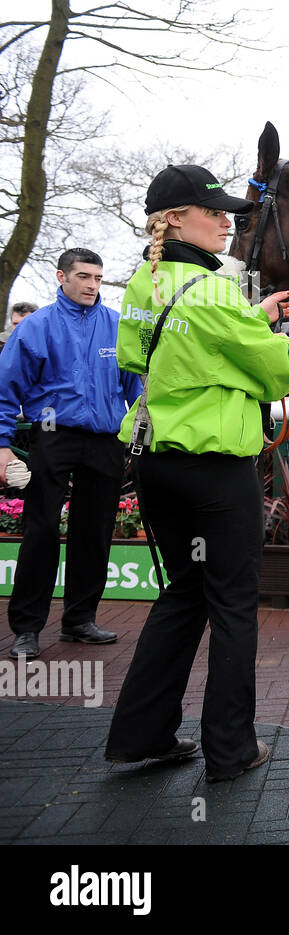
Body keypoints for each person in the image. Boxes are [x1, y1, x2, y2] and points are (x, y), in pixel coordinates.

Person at [103, 164, 289, 781]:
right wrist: (266, 331)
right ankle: (230, 749)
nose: (225, 220)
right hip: (218, 470)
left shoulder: (142, 283)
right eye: (211, 211)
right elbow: (281, 371)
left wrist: (247, 327)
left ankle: (142, 736)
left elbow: (140, 355)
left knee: (183, 593)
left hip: (157, 462)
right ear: (173, 219)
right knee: (234, 605)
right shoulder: (218, 293)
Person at [0, 250, 142, 660]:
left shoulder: (118, 326)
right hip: (52, 435)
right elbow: (6, 391)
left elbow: (135, 388)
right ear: (61, 276)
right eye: (83, 276)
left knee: (94, 531)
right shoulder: (36, 327)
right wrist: (3, 445)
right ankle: (26, 628)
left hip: (105, 440)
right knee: (41, 530)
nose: (92, 285)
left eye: (98, 277)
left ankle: (80, 620)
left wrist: (141, 434)